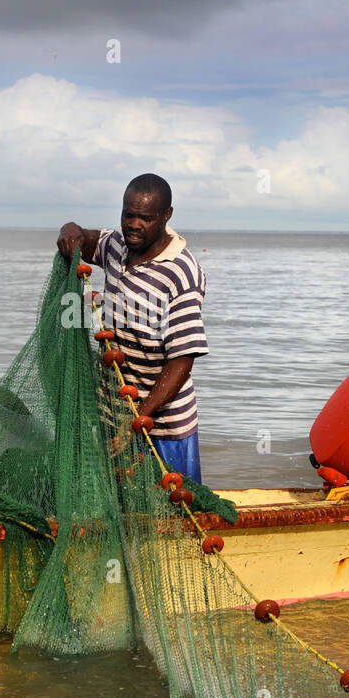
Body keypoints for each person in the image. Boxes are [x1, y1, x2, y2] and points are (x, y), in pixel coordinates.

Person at [56, 173, 208, 482]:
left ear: (166, 216)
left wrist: (139, 418)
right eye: (129, 214)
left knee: (175, 511)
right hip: (115, 415)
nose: (134, 224)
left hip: (164, 426)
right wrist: (69, 229)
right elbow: (83, 238)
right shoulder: (117, 245)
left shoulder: (181, 273)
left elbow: (182, 360)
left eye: (146, 218)